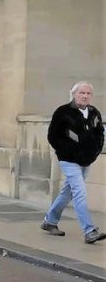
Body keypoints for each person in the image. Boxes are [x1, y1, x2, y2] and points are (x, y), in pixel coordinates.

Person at [42, 82, 104, 244]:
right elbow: (53, 136)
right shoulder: (63, 112)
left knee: (67, 192)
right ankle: (89, 230)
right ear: (74, 94)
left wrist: (95, 152)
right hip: (69, 160)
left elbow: (100, 135)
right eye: (81, 93)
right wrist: (67, 151)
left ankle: (50, 221)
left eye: (88, 93)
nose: (85, 96)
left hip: (87, 160)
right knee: (79, 192)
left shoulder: (94, 113)